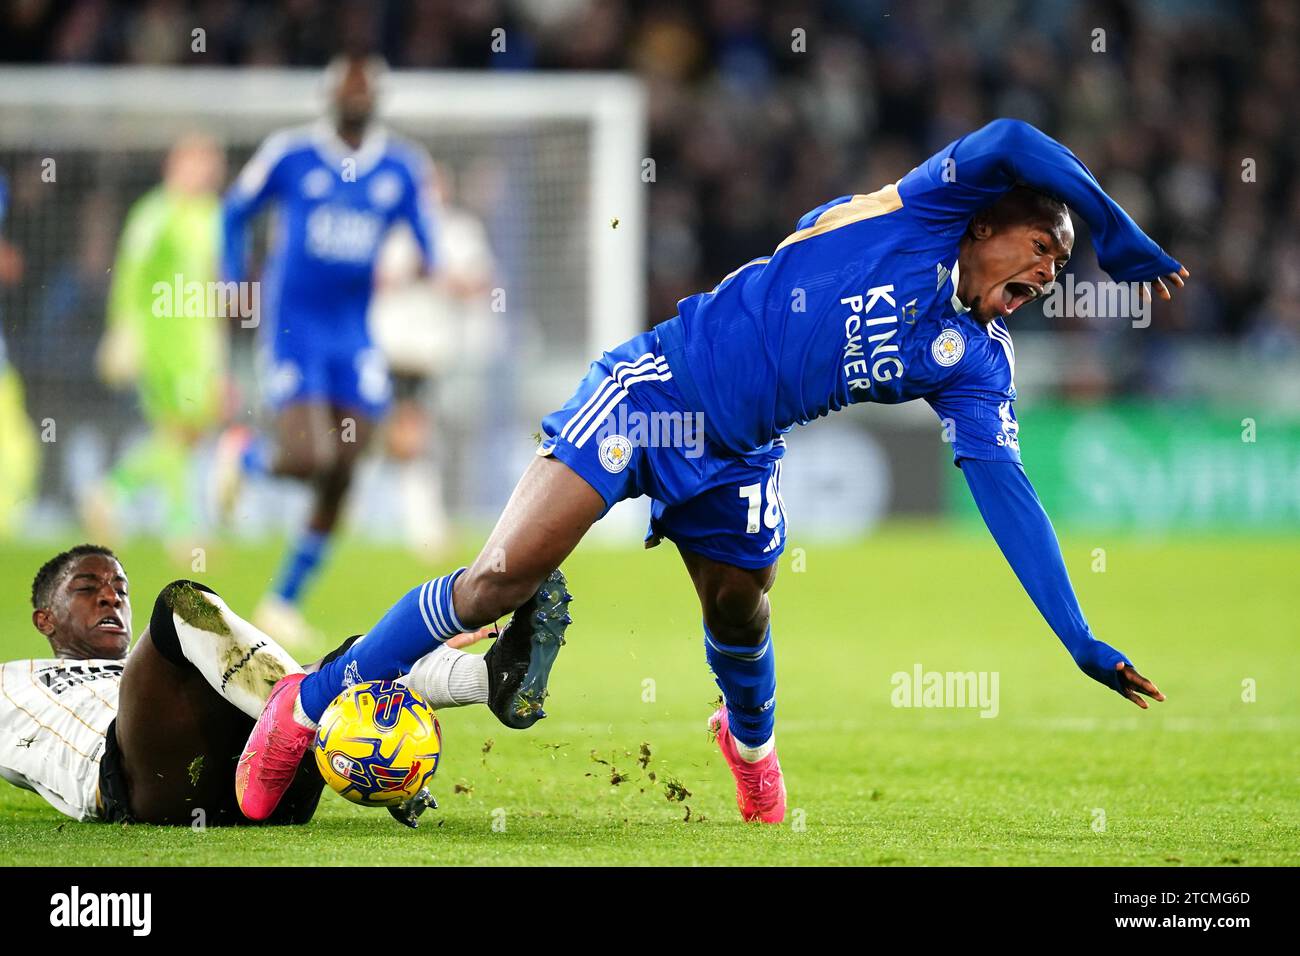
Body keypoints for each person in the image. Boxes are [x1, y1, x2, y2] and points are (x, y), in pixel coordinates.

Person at [236, 119, 1183, 825]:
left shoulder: (977, 359)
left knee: (741, 608)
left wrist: (1078, 636)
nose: (1052, 273)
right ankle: (303, 704)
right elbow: (1018, 135)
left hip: (742, 452)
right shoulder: (924, 209)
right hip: (656, 388)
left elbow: (1006, 497)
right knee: (499, 580)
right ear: (985, 226)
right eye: (1044, 249)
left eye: (1062, 263)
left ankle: (750, 744)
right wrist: (1112, 226)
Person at [1, 544, 562, 827]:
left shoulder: (156, 674)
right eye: (87, 587)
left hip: (268, 790)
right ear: (43, 619)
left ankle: (489, 680)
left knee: (347, 659)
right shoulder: (11, 681)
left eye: (119, 588)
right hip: (150, 784)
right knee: (180, 604)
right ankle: (302, 713)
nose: (111, 597)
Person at [216, 53, 438, 648]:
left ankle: (282, 600)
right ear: (331, 95)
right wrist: (232, 275)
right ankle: (246, 458)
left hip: (354, 333)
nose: (358, 98)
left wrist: (426, 262)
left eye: (367, 89)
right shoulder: (290, 154)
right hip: (293, 328)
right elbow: (235, 210)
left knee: (346, 466)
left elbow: (424, 238)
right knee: (311, 455)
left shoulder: (401, 166)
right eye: (350, 88)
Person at [85, 135, 227, 549]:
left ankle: (114, 494)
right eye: (198, 162)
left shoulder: (209, 214)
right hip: (162, 337)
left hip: (197, 341)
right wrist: (123, 330)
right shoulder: (154, 213)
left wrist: (215, 335)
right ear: (175, 164)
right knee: (179, 429)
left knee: (184, 434)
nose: (206, 172)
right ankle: (179, 529)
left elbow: (212, 281)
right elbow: (130, 272)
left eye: (211, 164)